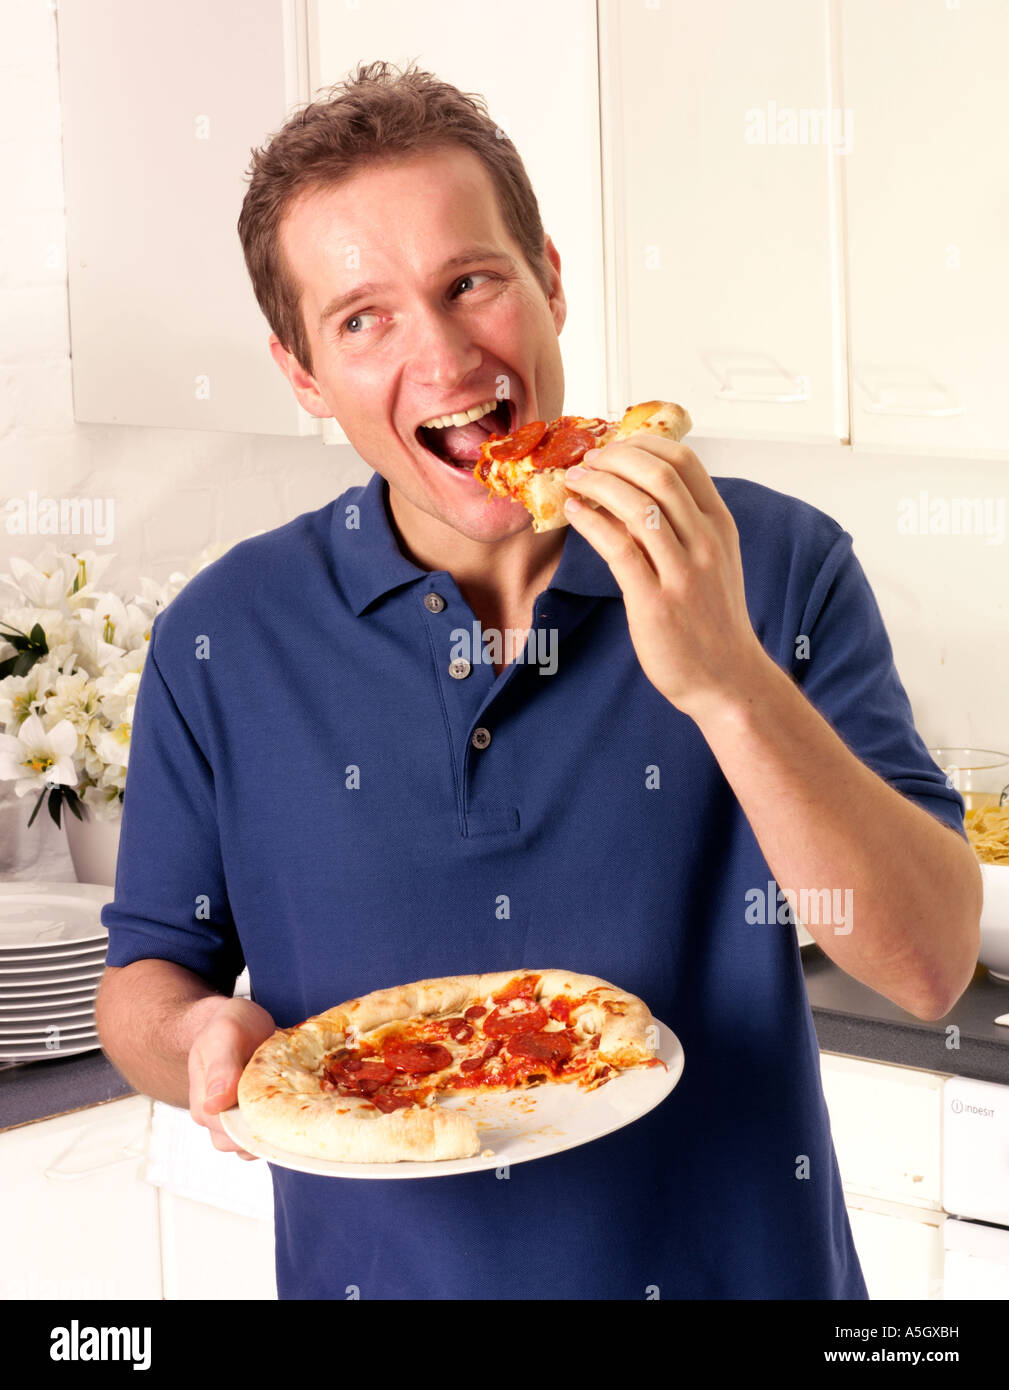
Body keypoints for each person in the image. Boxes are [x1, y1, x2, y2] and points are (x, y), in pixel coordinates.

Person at [96, 62, 981, 1300]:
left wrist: (728, 680)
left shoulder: (769, 562)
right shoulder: (222, 637)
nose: (448, 358)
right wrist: (194, 1037)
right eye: (363, 319)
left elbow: (930, 963)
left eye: (472, 282)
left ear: (550, 279)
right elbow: (146, 977)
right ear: (301, 375)